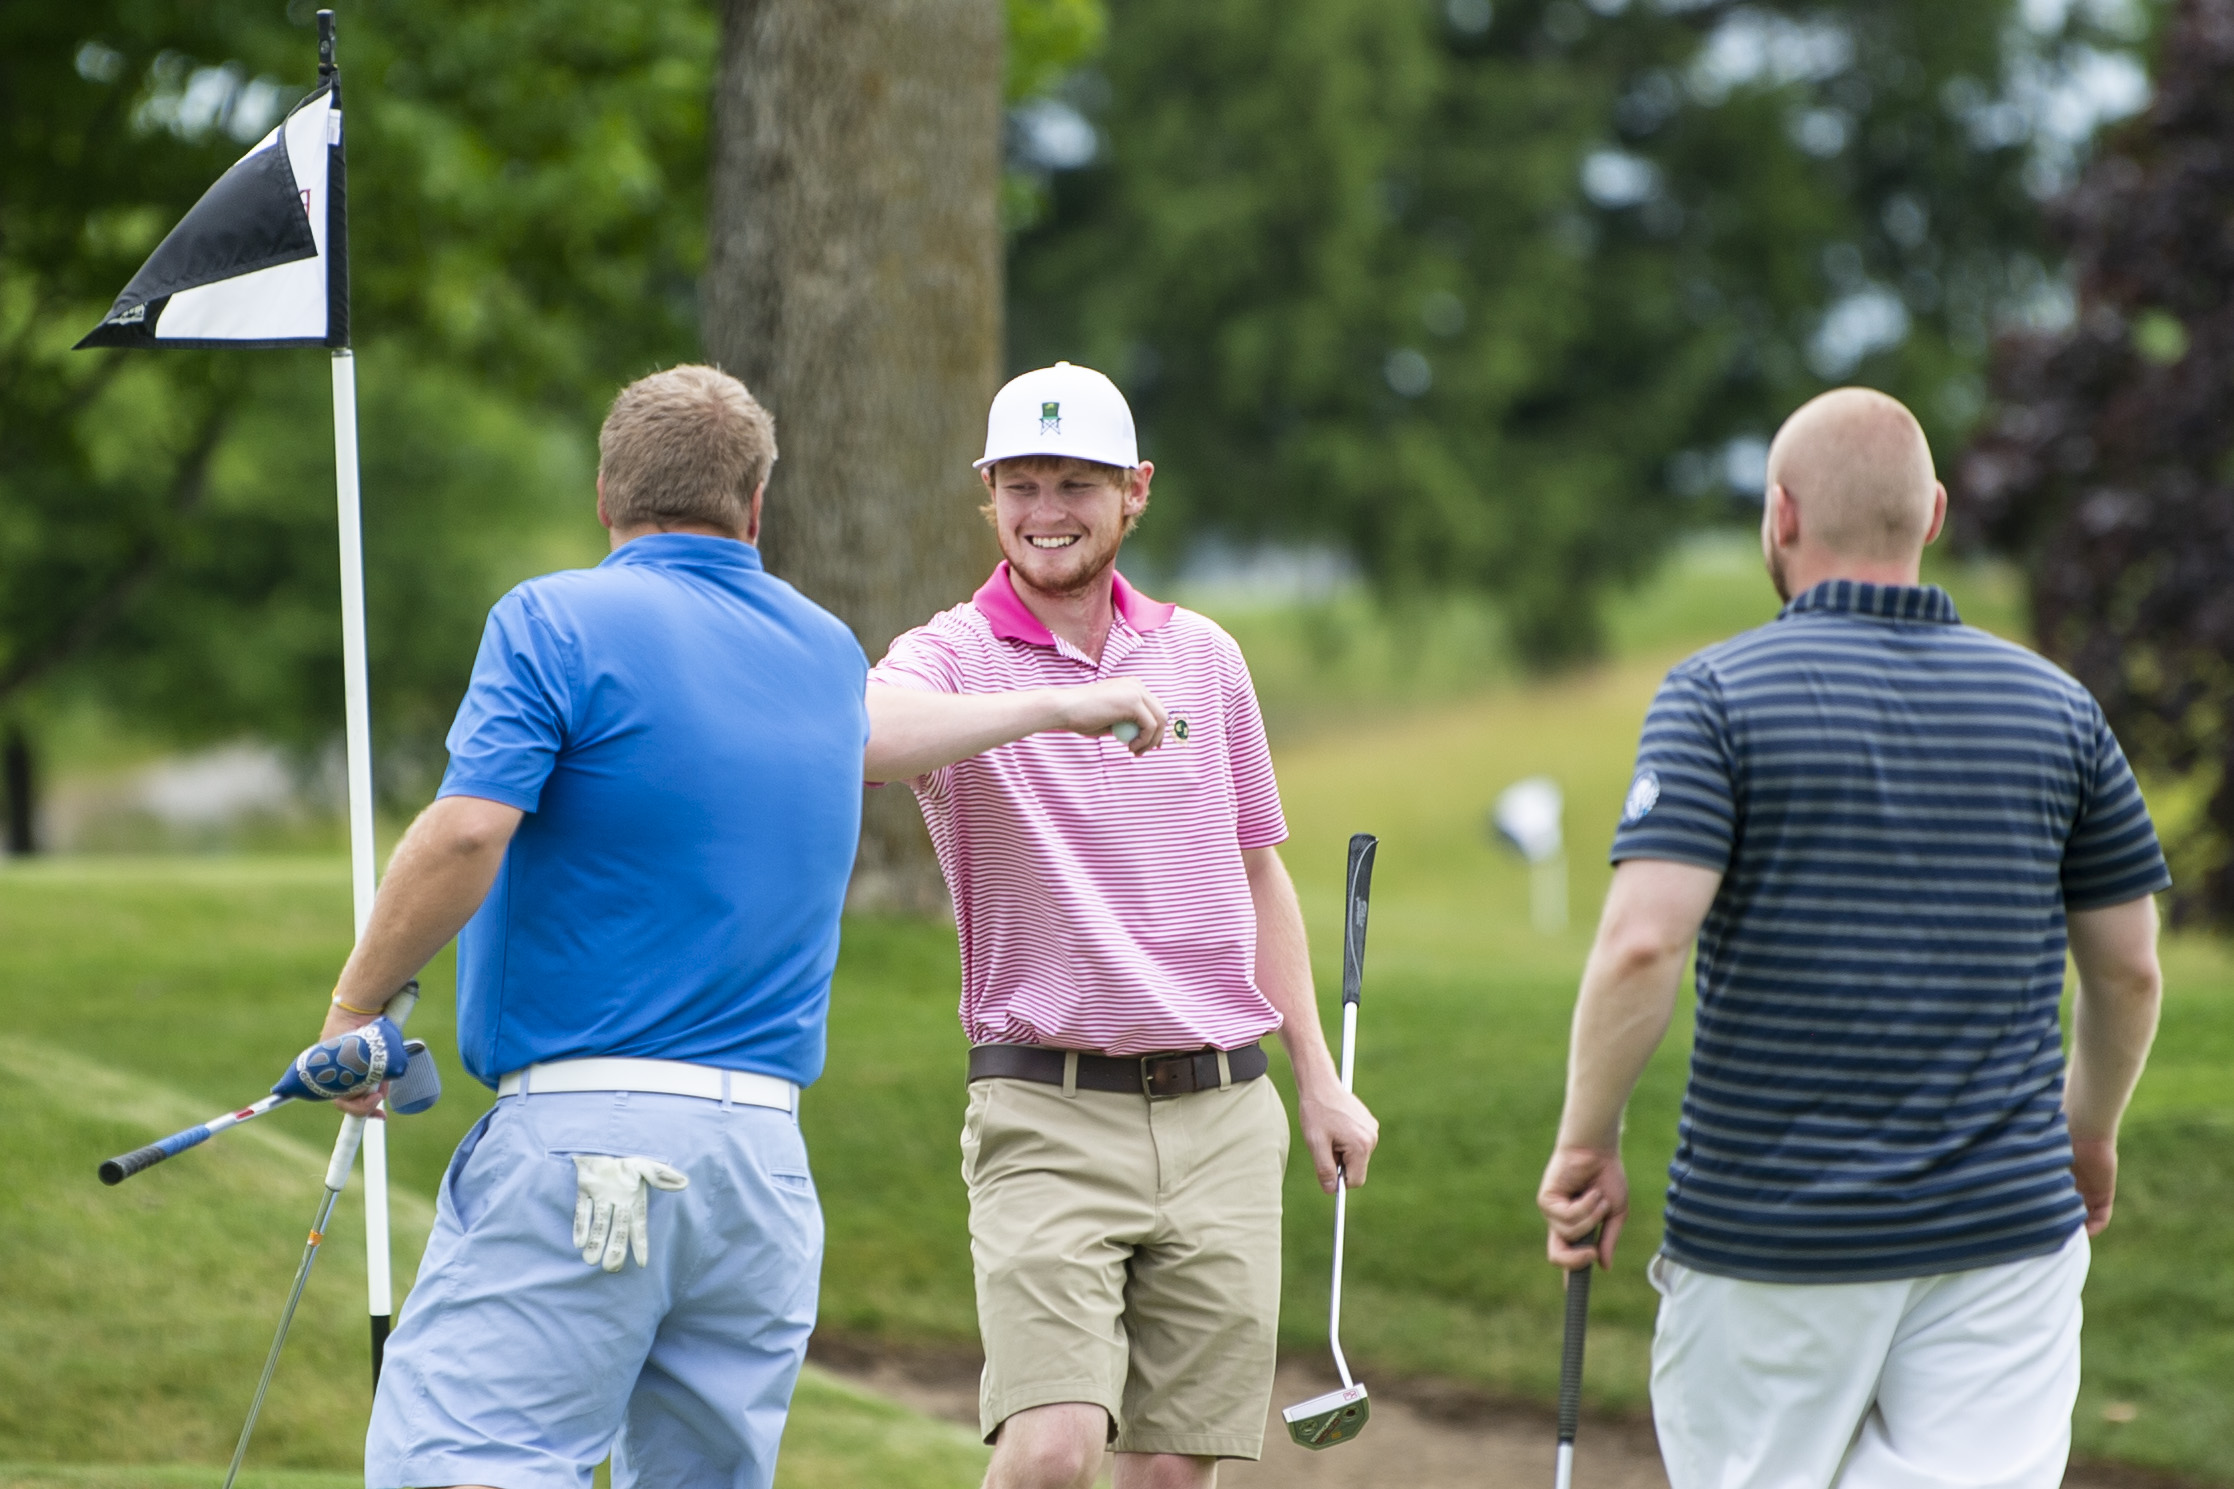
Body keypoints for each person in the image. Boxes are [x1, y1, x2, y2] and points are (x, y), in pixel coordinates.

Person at [1537, 387, 2170, 1489]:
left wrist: (1585, 1139)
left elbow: (1642, 945)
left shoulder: (1712, 697)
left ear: (1779, 516)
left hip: (1768, 1234)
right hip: (2005, 1234)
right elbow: (2127, 964)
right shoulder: (2056, 706)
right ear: (1931, 515)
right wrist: (2088, 1127)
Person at [314, 365, 869, 1489]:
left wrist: (354, 1007)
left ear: (605, 496)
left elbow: (468, 831)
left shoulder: (550, 616)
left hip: (587, 1141)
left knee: (469, 1464)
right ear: (756, 506)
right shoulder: (830, 654)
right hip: (762, 1168)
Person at [862, 362, 1380, 1489]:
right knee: (1051, 1452)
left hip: (1221, 1112)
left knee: (1167, 1472)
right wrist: (1059, 703)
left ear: (1135, 491)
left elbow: (1258, 876)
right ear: (986, 493)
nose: (1046, 512)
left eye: (1077, 484)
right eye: (1023, 483)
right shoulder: (951, 655)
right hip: (1045, 1110)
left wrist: (1318, 1078)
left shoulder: (1205, 656)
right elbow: (861, 734)